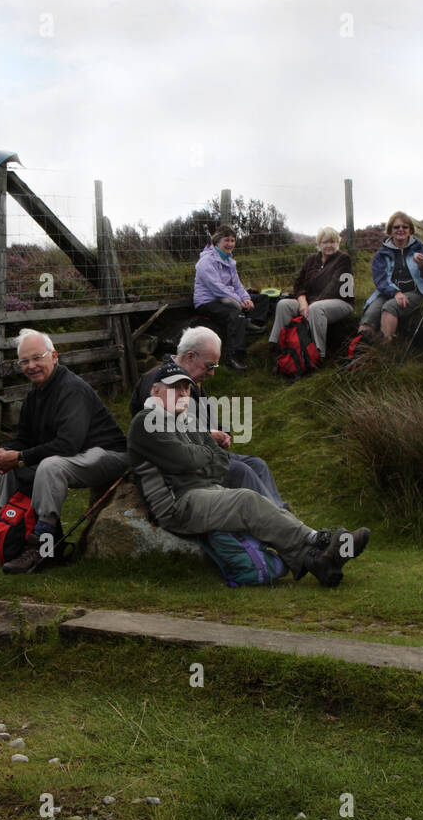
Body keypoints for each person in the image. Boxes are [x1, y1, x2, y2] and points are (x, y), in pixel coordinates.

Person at [128, 360, 369, 587]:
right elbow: (186, 459)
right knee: (247, 500)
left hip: (204, 492)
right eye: (174, 388)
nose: (182, 394)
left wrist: (198, 459)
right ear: (156, 392)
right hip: (177, 505)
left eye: (186, 389)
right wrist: (199, 457)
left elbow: (221, 462)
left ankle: (320, 563)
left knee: (258, 502)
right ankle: (318, 540)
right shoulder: (146, 421)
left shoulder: (187, 422)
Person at [0, 328, 129, 573]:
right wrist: (3, 454)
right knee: (8, 468)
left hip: (109, 456)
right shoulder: (34, 395)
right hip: (77, 456)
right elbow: (24, 438)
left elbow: (67, 445)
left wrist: (20, 457)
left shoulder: (72, 389)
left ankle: (43, 547)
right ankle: (5, 533)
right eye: (24, 361)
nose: (31, 365)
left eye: (38, 358)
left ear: (54, 356)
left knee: (50, 465)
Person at [130, 326, 286, 508]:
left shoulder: (191, 382)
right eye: (209, 366)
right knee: (242, 472)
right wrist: (209, 436)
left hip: (205, 451)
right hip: (179, 466)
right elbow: (161, 433)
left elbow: (201, 422)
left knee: (257, 465)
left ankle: (281, 516)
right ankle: (272, 523)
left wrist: (220, 432)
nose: (212, 373)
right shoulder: (160, 382)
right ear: (190, 357)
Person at [267, 227, 354, 359]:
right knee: (284, 304)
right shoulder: (311, 260)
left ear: (338, 243)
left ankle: (318, 354)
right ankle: (278, 346)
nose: (329, 245)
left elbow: (334, 287)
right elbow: (299, 283)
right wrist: (302, 302)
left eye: (333, 242)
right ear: (319, 244)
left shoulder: (343, 259)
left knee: (316, 309)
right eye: (325, 242)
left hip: (340, 301)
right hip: (309, 302)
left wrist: (309, 306)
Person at [359, 211, 423, 345]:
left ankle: (386, 350)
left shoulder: (421, 248)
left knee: (390, 307)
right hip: (387, 293)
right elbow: (380, 280)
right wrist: (396, 292)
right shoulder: (381, 254)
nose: (400, 230)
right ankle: (360, 351)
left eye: (405, 227)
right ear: (390, 230)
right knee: (370, 314)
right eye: (396, 227)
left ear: (410, 230)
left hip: (415, 292)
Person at [192, 225, 253, 372]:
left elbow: (237, 285)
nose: (230, 244)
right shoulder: (206, 262)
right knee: (236, 315)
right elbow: (217, 288)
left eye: (233, 240)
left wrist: (246, 298)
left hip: (225, 299)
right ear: (217, 242)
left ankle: (249, 322)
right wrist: (239, 301)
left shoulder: (229, 261)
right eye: (227, 240)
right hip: (207, 302)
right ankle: (232, 358)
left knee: (262, 298)